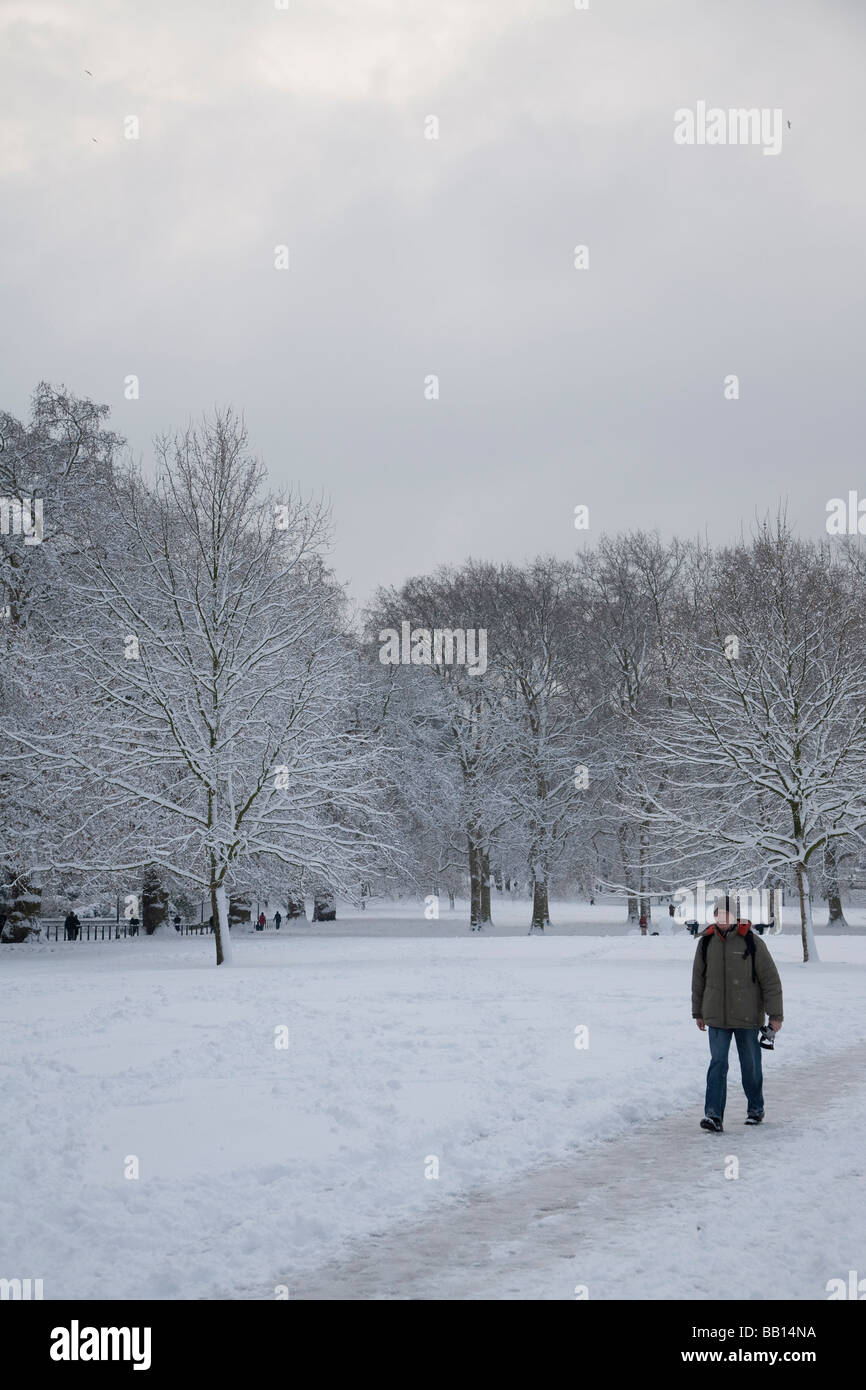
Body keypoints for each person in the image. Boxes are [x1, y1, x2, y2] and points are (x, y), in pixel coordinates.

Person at [692, 894, 783, 1132]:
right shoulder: (705, 943)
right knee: (718, 1064)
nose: (722, 918)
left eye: (726, 914)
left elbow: (771, 981)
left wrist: (775, 1016)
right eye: (717, 914)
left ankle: (755, 1108)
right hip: (716, 1017)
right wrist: (697, 1012)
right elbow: (698, 981)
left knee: (750, 1065)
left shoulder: (752, 942)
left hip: (747, 1016)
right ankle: (713, 1115)